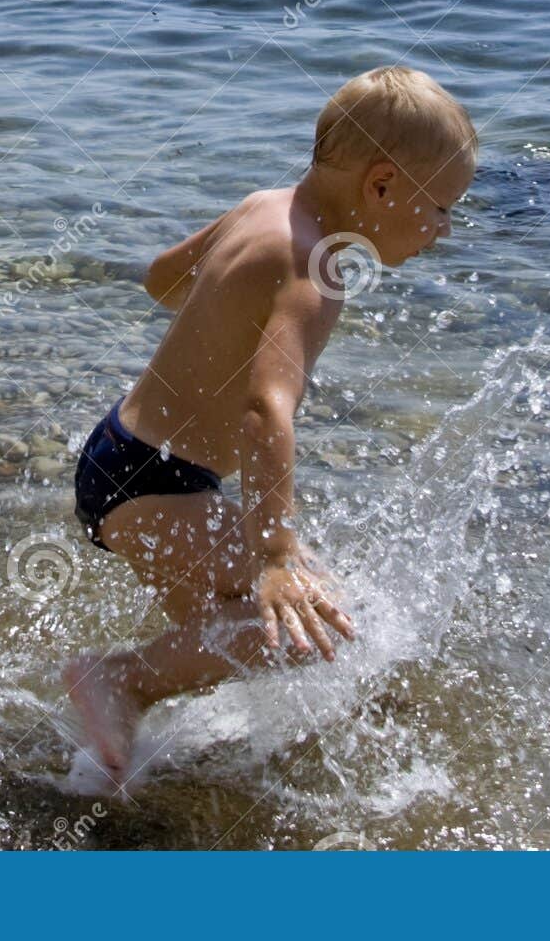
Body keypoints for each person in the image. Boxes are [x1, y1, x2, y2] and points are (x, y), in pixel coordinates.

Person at [62, 66, 477, 784]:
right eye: (441, 207)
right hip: (153, 480)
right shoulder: (317, 269)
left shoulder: (264, 206)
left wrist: (225, 301)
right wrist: (276, 550)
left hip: (123, 454)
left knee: (240, 631)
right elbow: (265, 410)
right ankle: (118, 679)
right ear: (381, 186)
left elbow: (163, 278)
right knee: (293, 624)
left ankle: (131, 737)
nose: (443, 229)